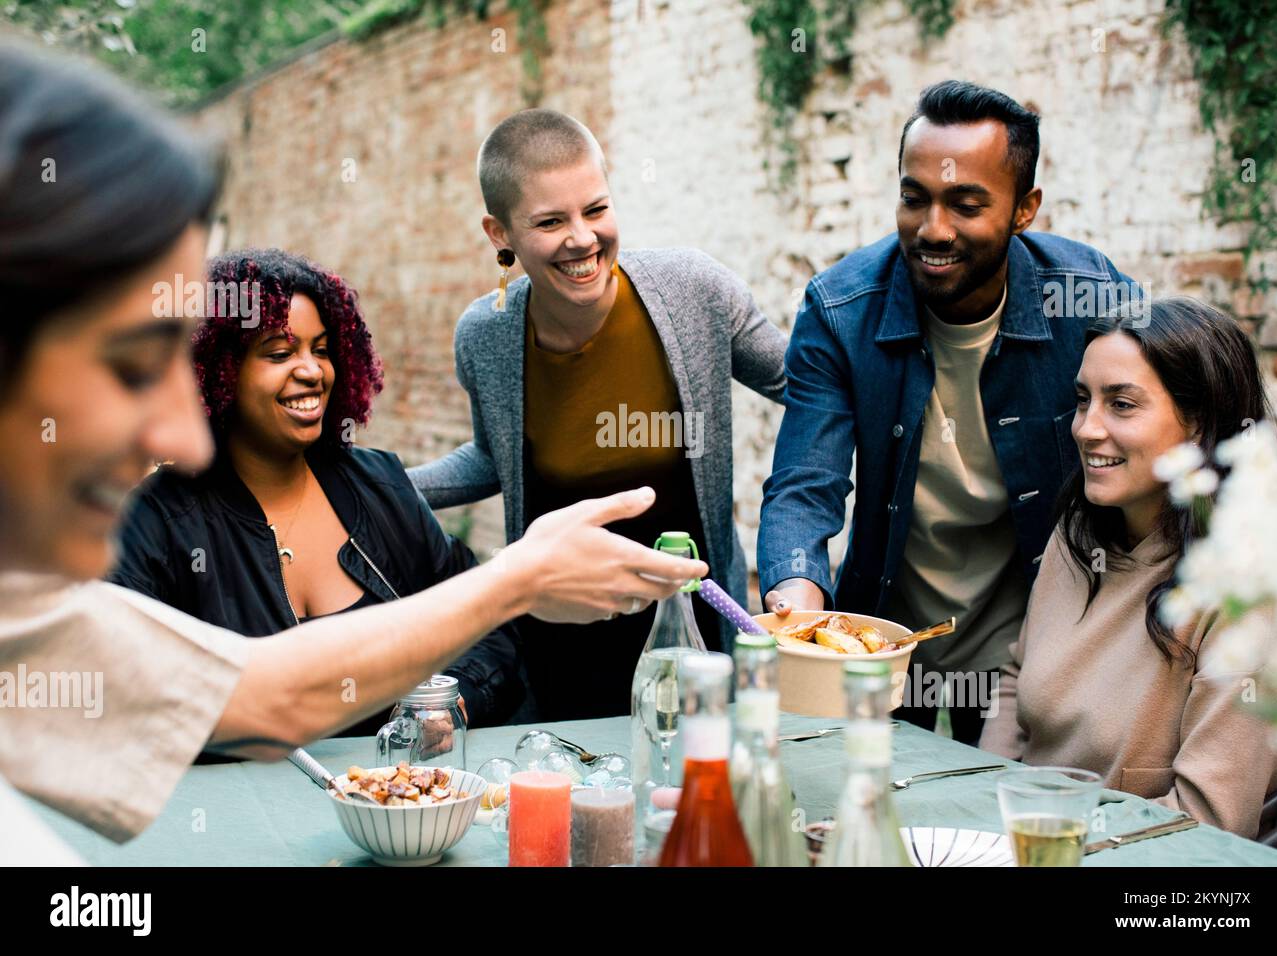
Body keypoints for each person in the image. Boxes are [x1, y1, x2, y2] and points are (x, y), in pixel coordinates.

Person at [0, 40, 706, 855]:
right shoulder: (145, 531)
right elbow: (261, 702)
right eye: (127, 364)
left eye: (323, 348)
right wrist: (520, 574)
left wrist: (457, 680)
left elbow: (251, 694)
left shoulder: (30, 604)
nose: (180, 432)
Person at [759, 80, 1138, 744]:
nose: (933, 229)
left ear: (1025, 209)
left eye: (966, 204)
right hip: (884, 645)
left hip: (1036, 649)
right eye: (915, 199)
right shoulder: (839, 310)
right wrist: (798, 608)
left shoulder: (1090, 297)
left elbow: (1169, 431)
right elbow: (804, 482)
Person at [408, 109, 787, 721]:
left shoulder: (694, 291)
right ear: (499, 232)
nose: (582, 238)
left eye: (596, 209)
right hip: (559, 646)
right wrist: (379, 486)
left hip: (691, 642)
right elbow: (493, 458)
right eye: (550, 221)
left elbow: (802, 383)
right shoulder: (486, 335)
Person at [109, 248, 523, 732]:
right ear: (217, 374)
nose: (311, 371)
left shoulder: (380, 485)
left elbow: (484, 618)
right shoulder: (154, 523)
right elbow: (126, 697)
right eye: (280, 353)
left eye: (322, 350)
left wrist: (452, 703)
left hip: (393, 800)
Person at [978, 298, 1277, 838]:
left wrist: (1046, 837)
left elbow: (1207, 822)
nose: (1085, 428)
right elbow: (1016, 680)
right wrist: (991, 799)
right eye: (1083, 401)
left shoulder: (1246, 585)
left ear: (1199, 423)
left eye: (1121, 404)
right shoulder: (1078, 533)